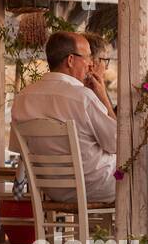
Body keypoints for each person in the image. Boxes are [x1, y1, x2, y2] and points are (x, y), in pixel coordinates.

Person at [10, 30, 118, 203]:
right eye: (87, 57)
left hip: (51, 190)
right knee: (146, 170)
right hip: (95, 186)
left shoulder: (22, 98)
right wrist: (103, 97)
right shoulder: (82, 97)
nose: (91, 64)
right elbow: (116, 143)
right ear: (70, 60)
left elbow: (18, 147)